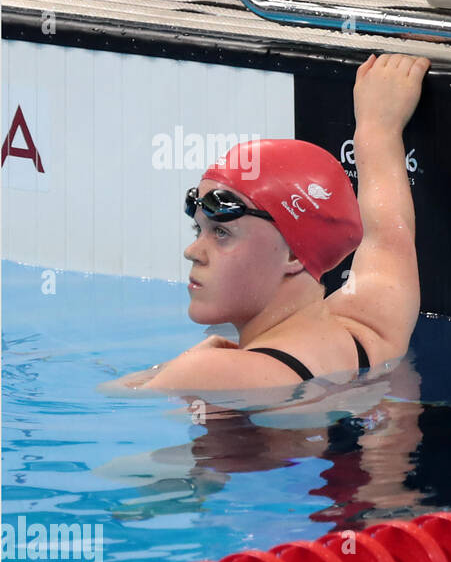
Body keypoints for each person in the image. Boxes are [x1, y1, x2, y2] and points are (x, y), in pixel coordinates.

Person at [107, 53, 431, 392]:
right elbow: (389, 235)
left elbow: (109, 411)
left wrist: (171, 369)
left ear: (292, 255)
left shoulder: (208, 372)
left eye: (221, 232)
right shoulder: (373, 327)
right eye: (198, 229)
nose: (192, 251)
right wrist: (378, 128)